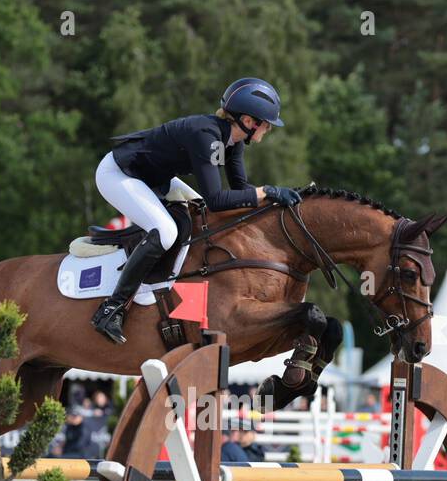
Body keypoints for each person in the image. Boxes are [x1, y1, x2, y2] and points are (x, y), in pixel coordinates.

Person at [89, 77, 303, 344]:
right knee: (166, 232)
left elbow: (240, 189)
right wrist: (268, 191)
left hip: (154, 177)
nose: (269, 128)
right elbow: (217, 199)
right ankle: (112, 309)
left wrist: (274, 198)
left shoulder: (232, 141)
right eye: (267, 123)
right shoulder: (207, 135)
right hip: (120, 173)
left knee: (201, 212)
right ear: (248, 121)